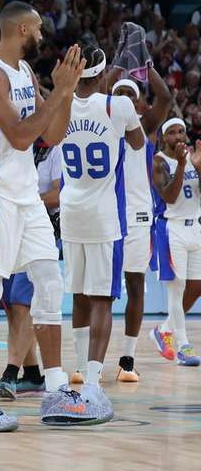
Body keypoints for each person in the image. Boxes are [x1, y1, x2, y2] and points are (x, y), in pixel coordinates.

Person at [0, 1, 90, 432]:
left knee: (50, 281)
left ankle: (55, 389)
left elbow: (50, 135)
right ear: (20, 29)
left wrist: (66, 92)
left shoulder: (26, 73)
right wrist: (58, 94)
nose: (42, 34)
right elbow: (19, 137)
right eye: (37, 28)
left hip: (27, 195)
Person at [58, 46, 143, 419]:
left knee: (78, 294)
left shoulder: (59, 104)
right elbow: (138, 142)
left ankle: (77, 371)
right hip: (104, 215)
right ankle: (92, 385)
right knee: (102, 300)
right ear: (104, 73)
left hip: (70, 211)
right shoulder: (117, 106)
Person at [109, 70, 170, 380]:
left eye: (131, 96)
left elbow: (167, 98)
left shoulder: (144, 128)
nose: (125, 100)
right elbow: (96, 92)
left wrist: (146, 64)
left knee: (134, 287)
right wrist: (117, 70)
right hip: (106, 216)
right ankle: (85, 362)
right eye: (119, 94)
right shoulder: (103, 123)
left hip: (138, 218)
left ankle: (128, 359)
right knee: (98, 292)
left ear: (140, 104)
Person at [0, 143, 60, 400]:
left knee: (25, 305)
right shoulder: (18, 146)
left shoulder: (55, 151)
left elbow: (58, 193)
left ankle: (10, 373)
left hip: (37, 230)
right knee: (11, 307)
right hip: (11, 231)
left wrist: (23, 202)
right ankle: (32, 374)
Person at [149, 118, 201, 367]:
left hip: (195, 226)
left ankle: (164, 329)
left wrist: (199, 168)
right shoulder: (158, 161)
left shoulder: (193, 157)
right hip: (172, 229)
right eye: (172, 132)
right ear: (163, 137)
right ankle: (183, 346)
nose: (179, 136)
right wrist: (182, 165)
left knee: (197, 285)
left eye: (181, 131)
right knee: (177, 288)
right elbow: (169, 196)